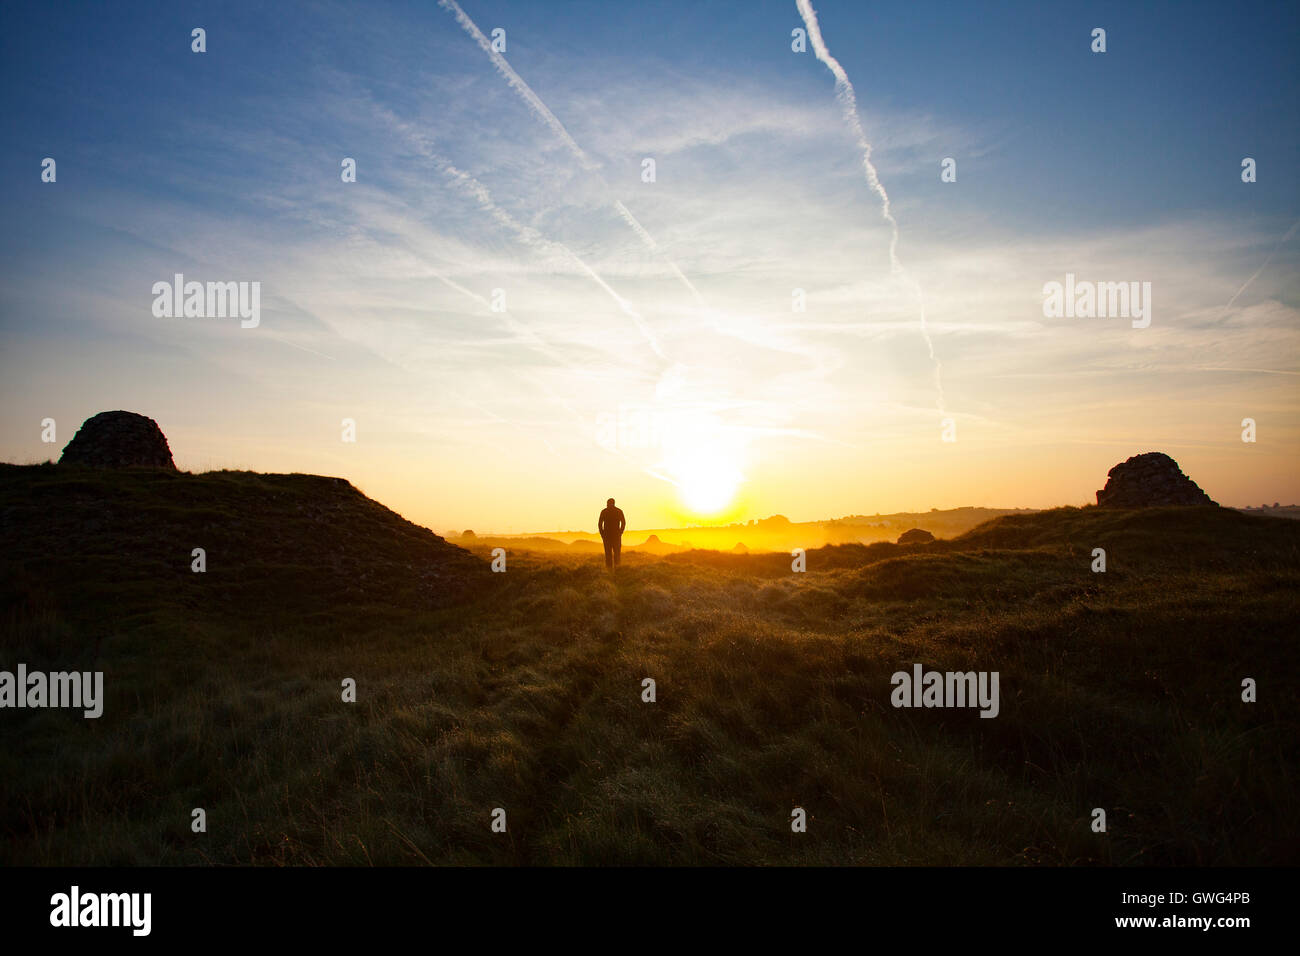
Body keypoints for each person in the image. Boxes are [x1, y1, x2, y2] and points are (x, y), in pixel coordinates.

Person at [598, 497, 625, 570]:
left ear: (611, 503)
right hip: (614, 536)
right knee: (616, 554)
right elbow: (623, 523)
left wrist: (602, 534)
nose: (607, 505)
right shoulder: (619, 511)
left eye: (608, 503)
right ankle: (617, 569)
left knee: (609, 554)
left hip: (608, 536)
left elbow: (600, 524)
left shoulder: (604, 511)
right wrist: (620, 532)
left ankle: (610, 569)